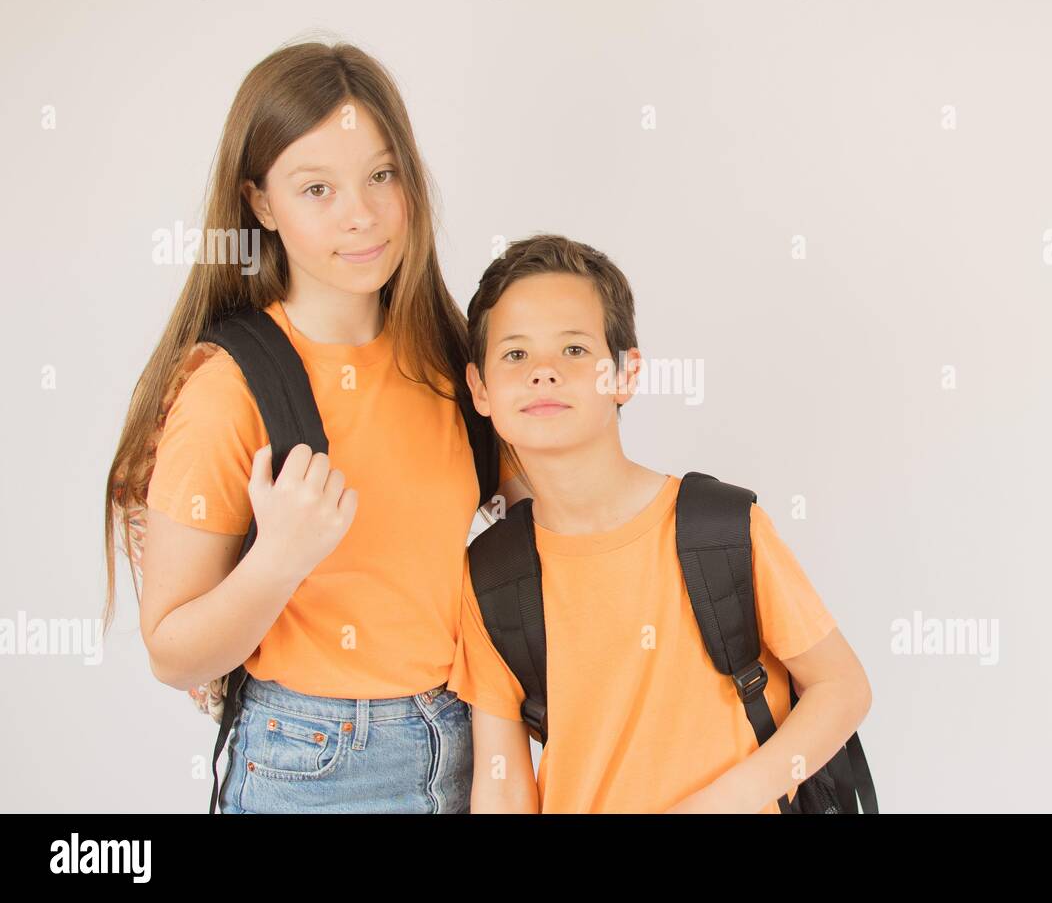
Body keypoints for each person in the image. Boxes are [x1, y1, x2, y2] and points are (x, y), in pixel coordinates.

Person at [103, 40, 523, 813]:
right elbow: (172, 650)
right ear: (261, 203)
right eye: (316, 189)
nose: (360, 214)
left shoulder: (451, 360)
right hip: (312, 766)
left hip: (464, 743)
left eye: (381, 175)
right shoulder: (230, 388)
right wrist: (279, 561)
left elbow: (546, 517)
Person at [448, 234, 872, 812]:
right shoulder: (493, 573)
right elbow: (501, 781)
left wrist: (724, 802)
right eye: (516, 354)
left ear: (625, 374)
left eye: (574, 350)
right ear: (480, 388)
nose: (544, 372)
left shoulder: (718, 527)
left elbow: (842, 687)